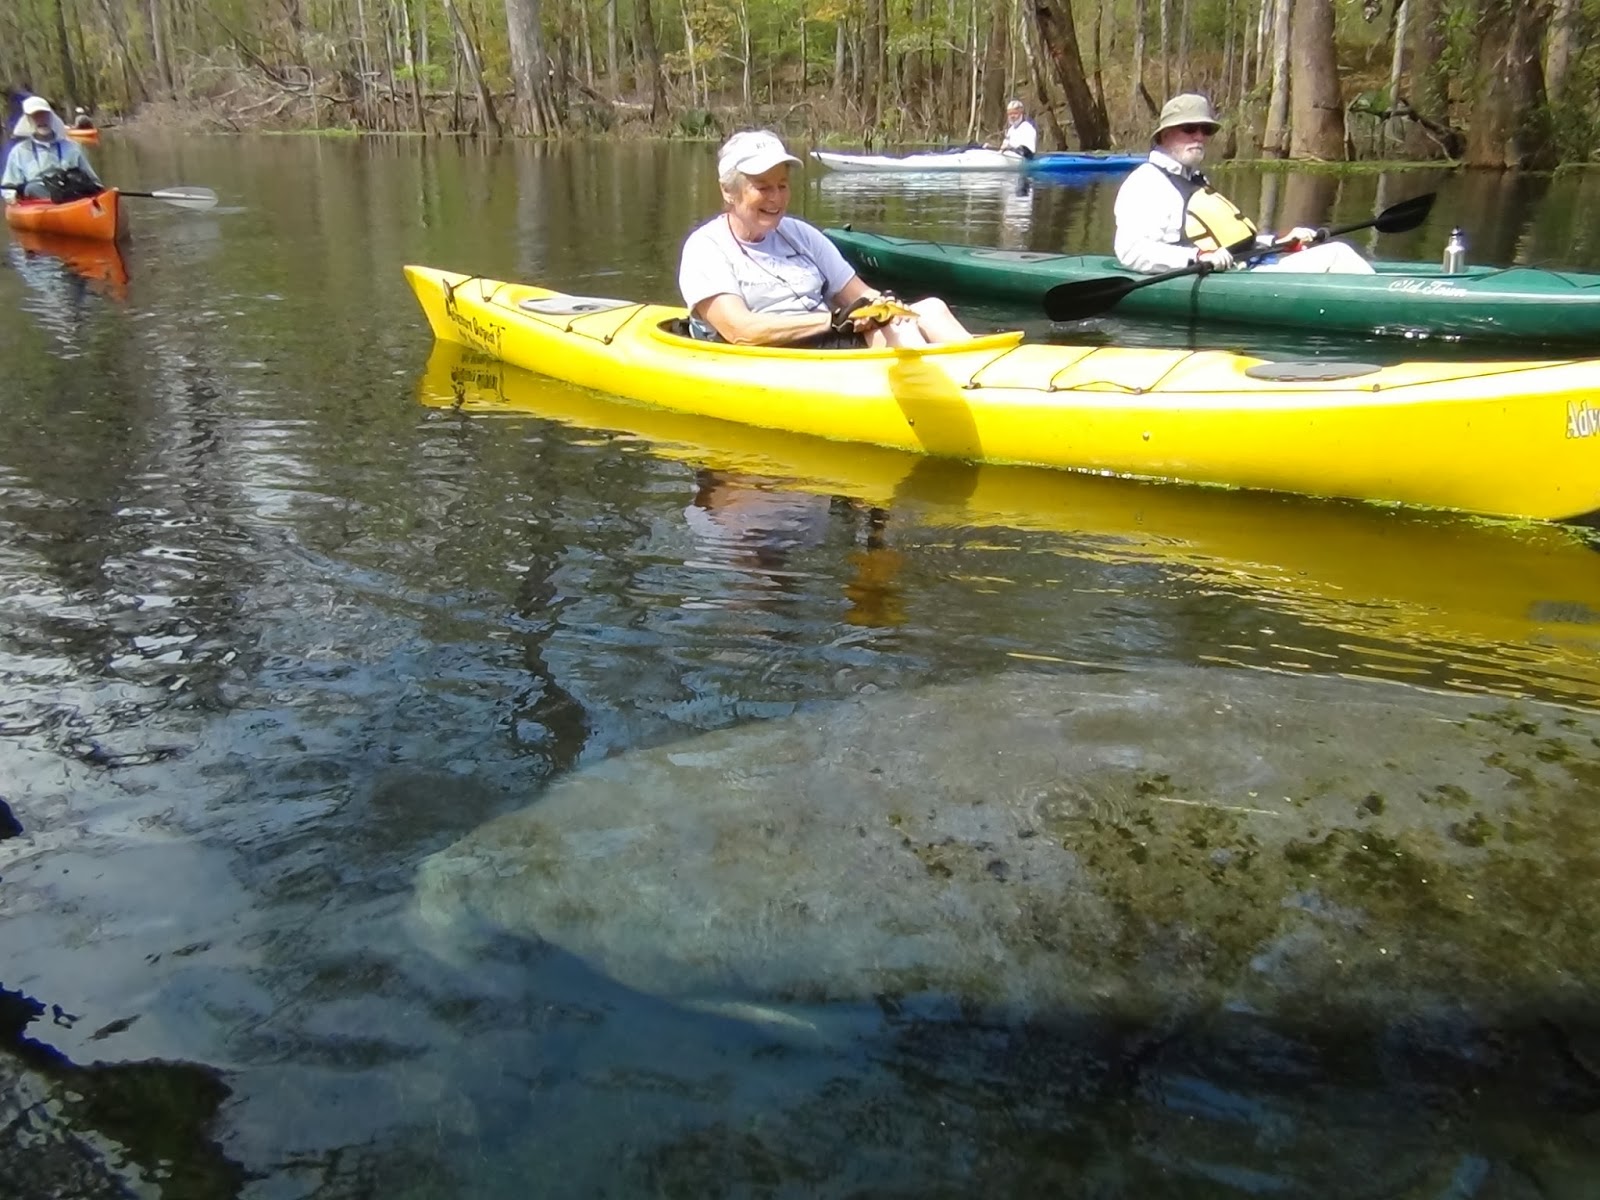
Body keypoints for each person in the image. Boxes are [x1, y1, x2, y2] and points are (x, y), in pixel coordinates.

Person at [679, 129, 971, 348]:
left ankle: (983, 379)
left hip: (829, 339)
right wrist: (834, 320)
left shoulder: (800, 234)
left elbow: (860, 295)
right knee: (896, 332)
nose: (776, 198)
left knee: (931, 309)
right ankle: (952, 399)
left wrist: (886, 307)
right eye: (763, 187)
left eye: (782, 185)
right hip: (776, 354)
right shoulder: (706, 248)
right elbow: (740, 330)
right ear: (729, 191)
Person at [1114, 93, 1373, 275]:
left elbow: (1230, 241)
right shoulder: (1146, 184)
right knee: (1337, 254)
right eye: (1190, 128)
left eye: (1206, 130)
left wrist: (1277, 241)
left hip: (1242, 268)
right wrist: (1197, 257)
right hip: (1206, 277)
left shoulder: (1193, 179)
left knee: (1337, 252)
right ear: (1165, 134)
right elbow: (1131, 251)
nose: (1200, 137)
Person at [2, 96, 101, 202]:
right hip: (39, 199)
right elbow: (8, 187)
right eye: (36, 116)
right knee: (32, 187)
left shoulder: (73, 147)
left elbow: (93, 180)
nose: (41, 120)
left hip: (71, 194)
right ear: (28, 121)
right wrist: (13, 198)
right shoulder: (19, 152)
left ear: (51, 117)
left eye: (44, 115)